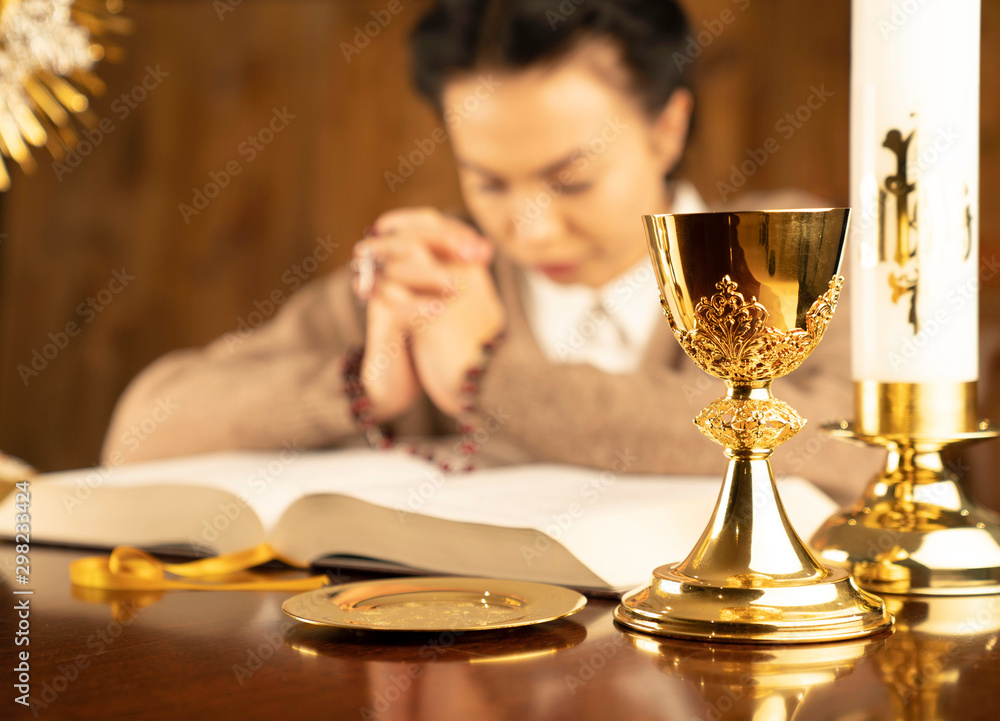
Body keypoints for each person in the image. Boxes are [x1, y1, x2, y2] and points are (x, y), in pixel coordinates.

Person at [101, 0, 880, 500]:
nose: (531, 229)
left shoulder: (775, 247)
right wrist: (360, 386)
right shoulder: (438, 269)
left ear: (668, 127)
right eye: (489, 183)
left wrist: (490, 378)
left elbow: (854, 454)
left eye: (572, 178)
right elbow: (140, 434)